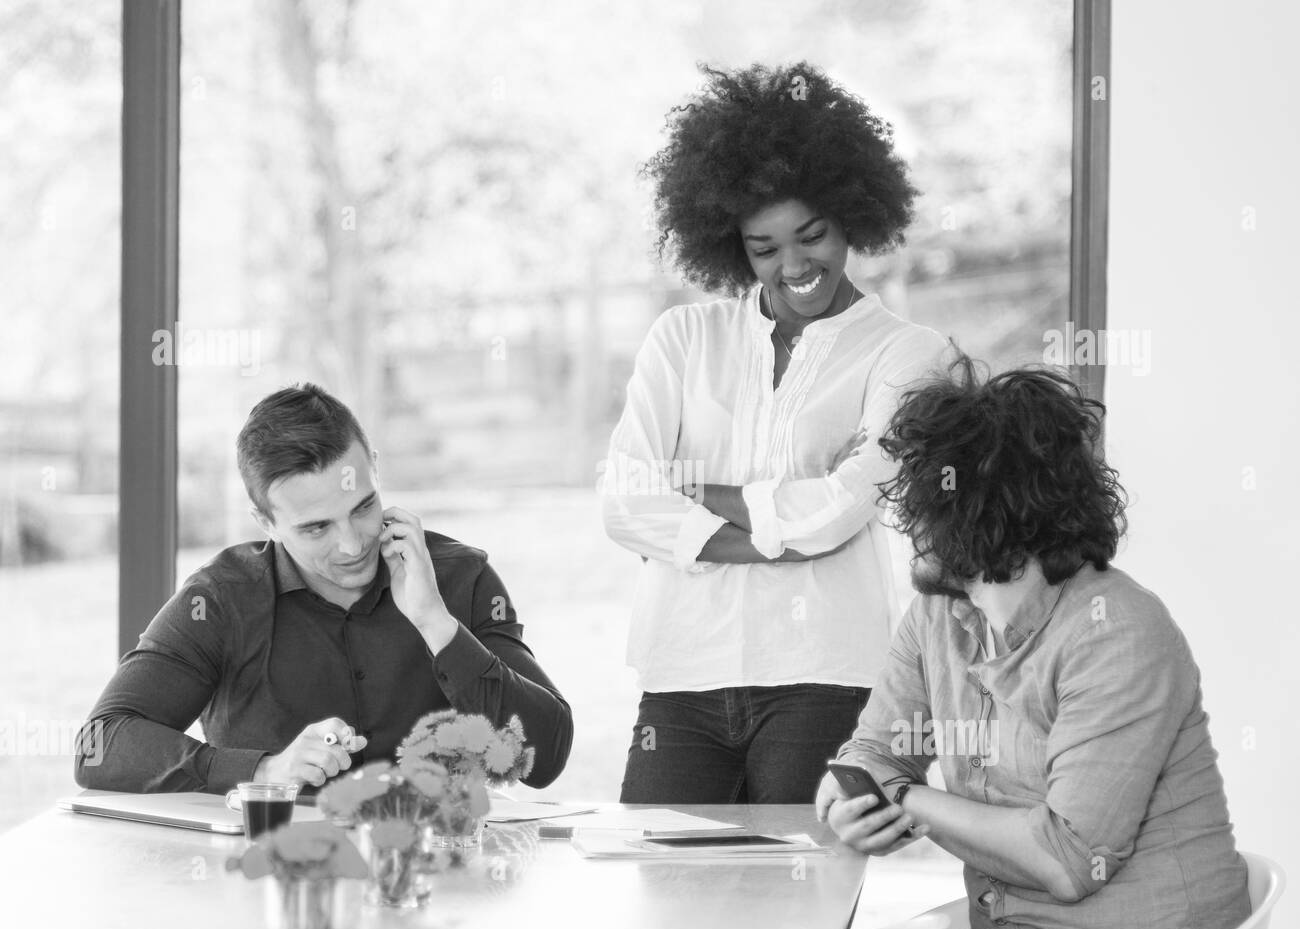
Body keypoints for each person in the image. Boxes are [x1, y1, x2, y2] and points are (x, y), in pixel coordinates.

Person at [816, 355, 1251, 929]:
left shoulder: (1116, 632)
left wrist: (903, 800)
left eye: (919, 503)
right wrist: (850, 802)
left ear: (979, 513)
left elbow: (1068, 860)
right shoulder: (938, 617)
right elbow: (876, 754)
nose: (904, 523)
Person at [602, 61, 949, 805]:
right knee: (662, 898)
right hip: (682, 673)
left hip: (823, 678)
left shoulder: (910, 353)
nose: (793, 265)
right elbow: (624, 502)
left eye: (811, 234)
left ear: (851, 214)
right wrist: (782, 519)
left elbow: (839, 514)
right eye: (764, 247)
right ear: (733, 246)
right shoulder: (684, 337)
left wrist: (691, 492)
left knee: (803, 910)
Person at [75, 383, 572, 794]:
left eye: (363, 507)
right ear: (265, 522)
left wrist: (436, 624)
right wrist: (264, 771)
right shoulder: (220, 601)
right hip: (273, 883)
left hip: (441, 880)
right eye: (316, 528)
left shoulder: (460, 578)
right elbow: (100, 744)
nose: (353, 544)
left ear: (374, 467)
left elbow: (546, 755)